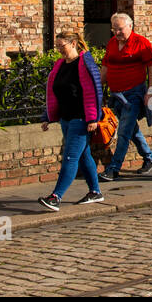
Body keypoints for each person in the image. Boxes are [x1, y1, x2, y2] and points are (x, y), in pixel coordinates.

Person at [38, 32, 104, 211]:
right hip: (65, 119)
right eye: (57, 46)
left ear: (73, 43)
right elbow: (54, 94)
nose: (59, 50)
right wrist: (48, 117)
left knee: (70, 157)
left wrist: (93, 118)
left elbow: (93, 93)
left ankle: (55, 197)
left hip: (81, 119)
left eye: (62, 46)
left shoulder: (84, 63)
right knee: (84, 156)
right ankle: (95, 192)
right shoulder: (60, 65)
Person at [99, 12, 152, 181]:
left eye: (120, 29)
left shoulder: (141, 43)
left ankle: (113, 169)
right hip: (116, 94)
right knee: (131, 129)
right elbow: (106, 66)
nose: (117, 33)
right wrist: (99, 86)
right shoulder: (112, 44)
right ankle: (149, 158)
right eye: (114, 29)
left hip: (134, 94)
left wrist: (151, 91)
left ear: (130, 26)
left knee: (124, 131)